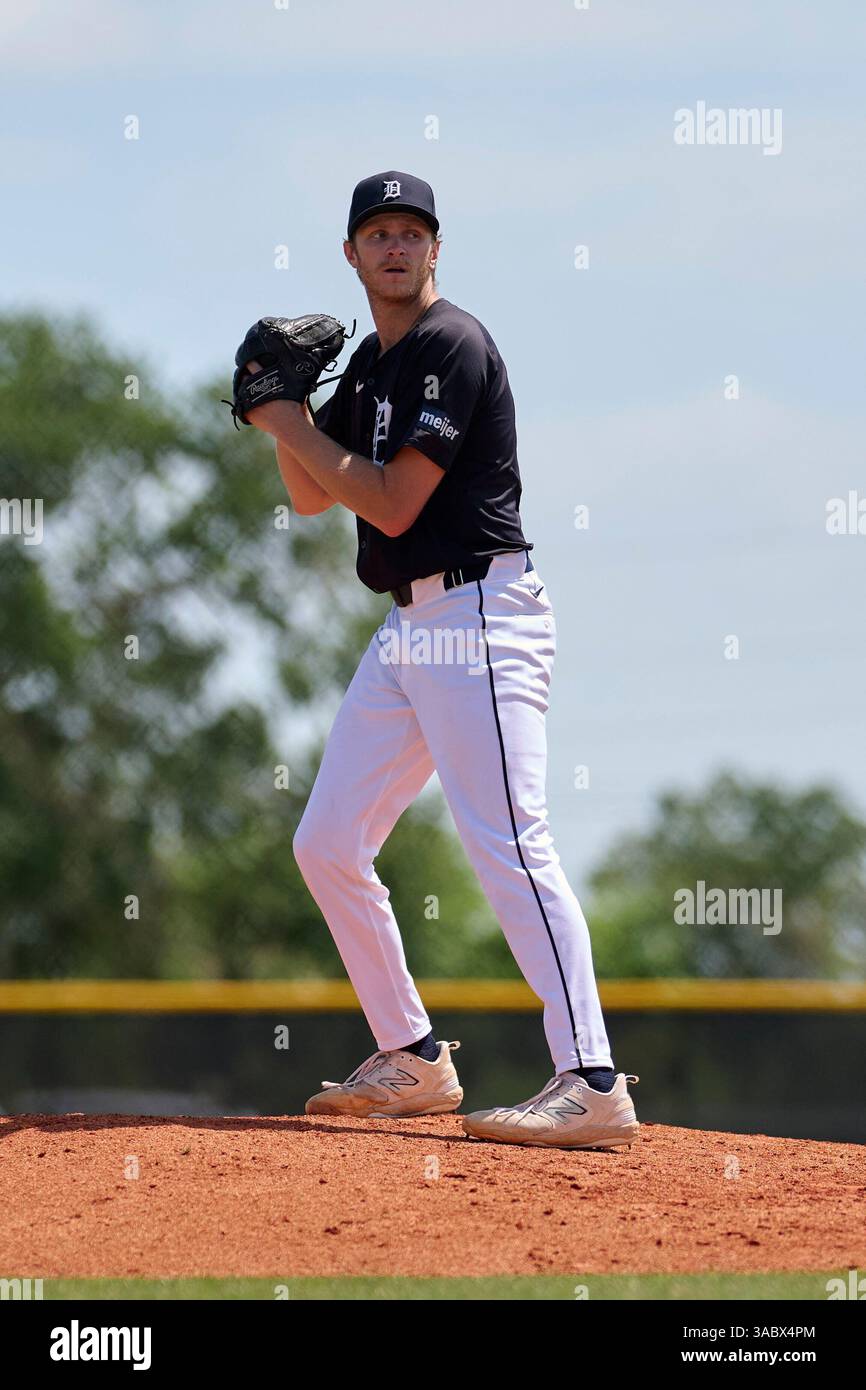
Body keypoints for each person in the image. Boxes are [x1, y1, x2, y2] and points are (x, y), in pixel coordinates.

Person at [241, 170, 640, 1149]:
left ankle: (590, 1079)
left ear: (434, 249)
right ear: (349, 254)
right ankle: (412, 1058)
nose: (393, 245)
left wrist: (279, 416)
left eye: (410, 231)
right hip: (408, 629)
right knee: (327, 841)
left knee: (508, 841)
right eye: (375, 231)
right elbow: (309, 495)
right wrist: (282, 410)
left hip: (479, 612)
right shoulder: (373, 370)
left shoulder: (447, 345)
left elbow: (388, 502)